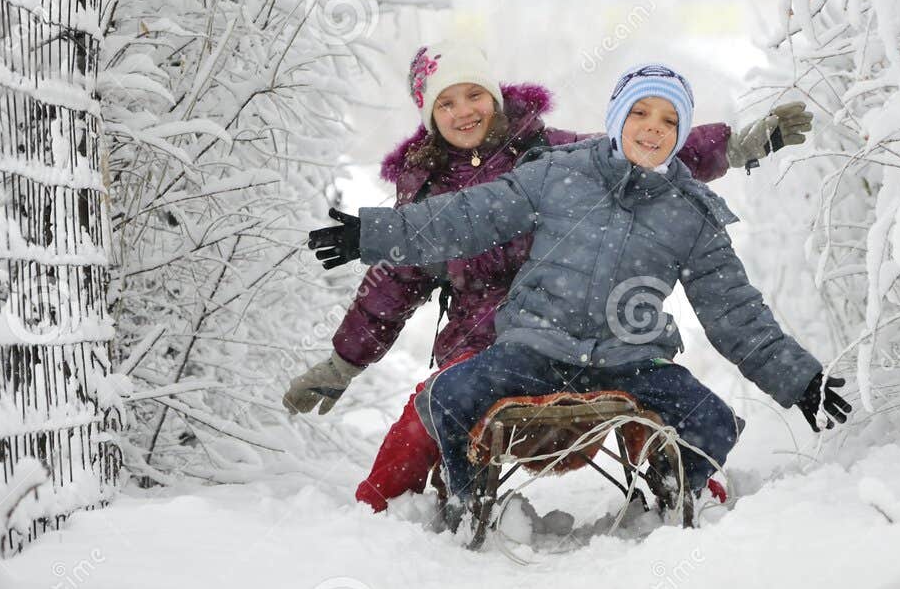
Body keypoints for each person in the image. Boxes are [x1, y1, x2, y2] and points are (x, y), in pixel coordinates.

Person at [307, 61, 851, 528]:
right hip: (532, 351)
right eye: (639, 114)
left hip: (630, 359)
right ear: (616, 120)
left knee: (712, 419)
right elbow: (466, 216)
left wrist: (799, 380)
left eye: (669, 121)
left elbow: (735, 312)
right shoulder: (558, 174)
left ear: (680, 132)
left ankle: (672, 484)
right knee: (444, 397)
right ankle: (466, 485)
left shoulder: (692, 213)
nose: (652, 129)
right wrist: (371, 234)